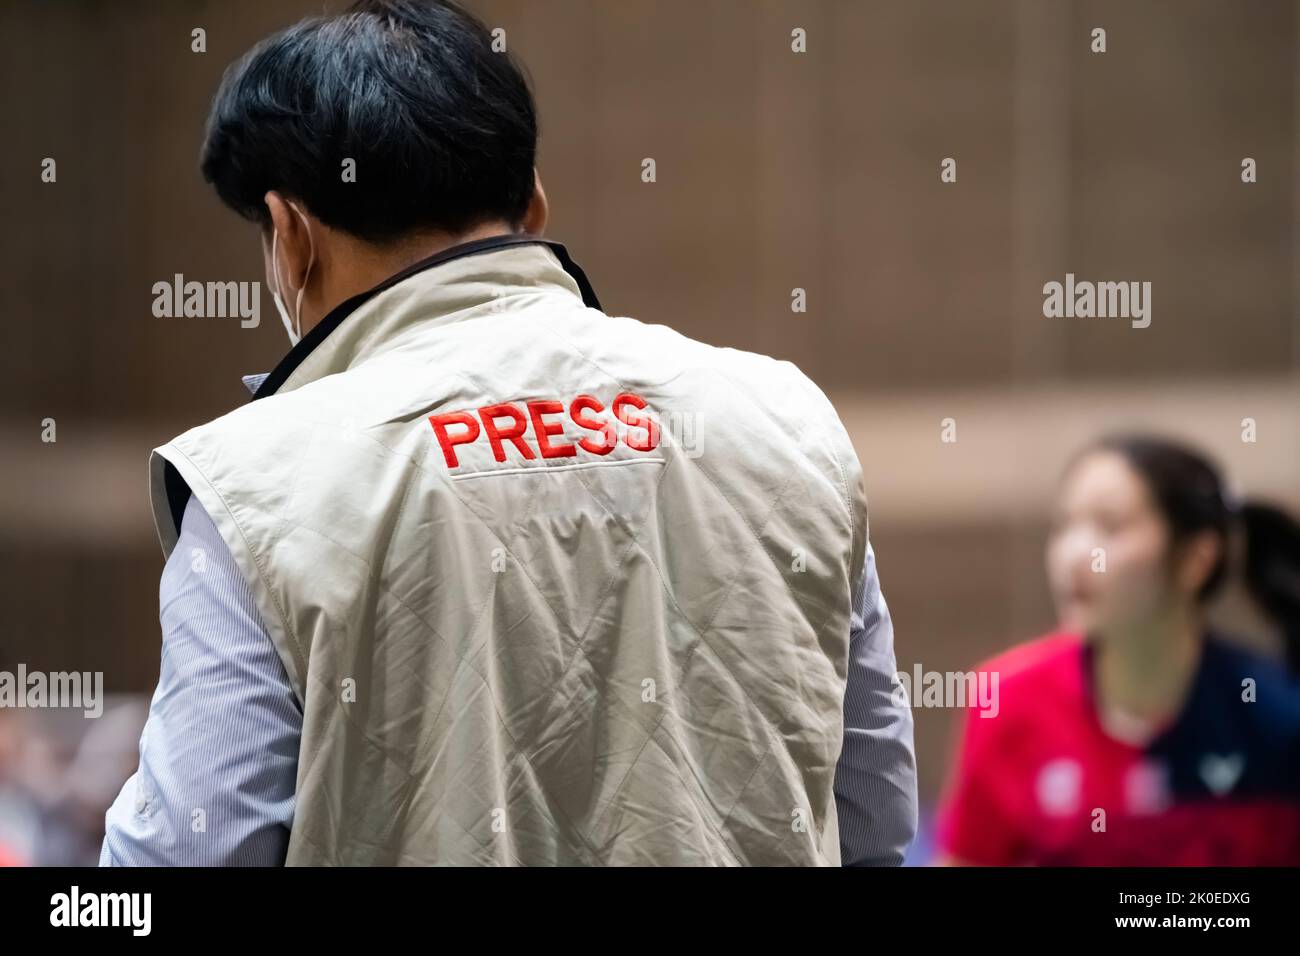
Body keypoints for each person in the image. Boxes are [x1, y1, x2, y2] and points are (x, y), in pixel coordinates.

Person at [100, 0, 916, 866]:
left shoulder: (252, 487)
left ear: (292, 237)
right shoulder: (785, 421)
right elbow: (871, 820)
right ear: (534, 204)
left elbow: (186, 855)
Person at [937, 433, 1300, 865]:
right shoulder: (1004, 699)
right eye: (1064, 527)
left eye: (1110, 527)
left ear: (1195, 560)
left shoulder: (1278, 715)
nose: (1074, 555)